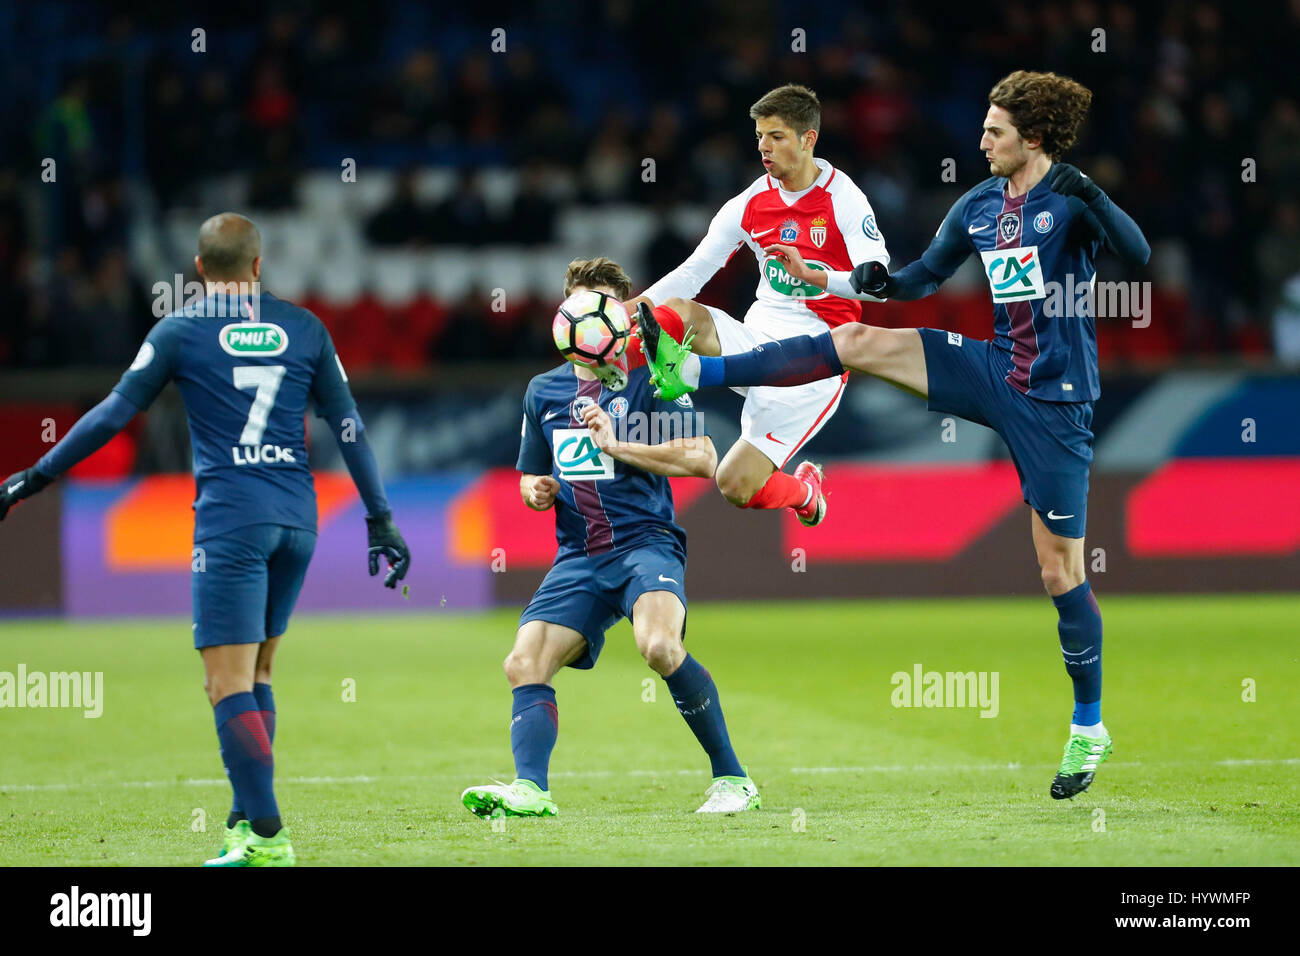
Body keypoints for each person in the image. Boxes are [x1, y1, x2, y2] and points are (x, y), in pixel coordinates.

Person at [639, 71, 1150, 800]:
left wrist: (1092, 190)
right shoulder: (977, 205)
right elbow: (909, 283)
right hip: (994, 368)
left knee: (1059, 573)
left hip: (1057, 402)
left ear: (1032, 138)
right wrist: (827, 278)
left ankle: (1089, 725)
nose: (981, 142)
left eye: (995, 131)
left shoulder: (1068, 199)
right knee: (855, 343)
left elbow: (1139, 254)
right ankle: (701, 373)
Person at [0, 213, 411, 863]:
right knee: (257, 673)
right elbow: (350, 426)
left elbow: (113, 413)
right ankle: (241, 828)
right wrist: (380, 517)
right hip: (298, 520)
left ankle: (269, 836)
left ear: (198, 269)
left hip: (231, 521)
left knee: (225, 684)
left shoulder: (181, 331)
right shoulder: (305, 328)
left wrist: (35, 475)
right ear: (257, 265)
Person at [460, 257, 759, 818]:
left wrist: (620, 443)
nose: (590, 316)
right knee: (523, 664)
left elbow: (704, 458)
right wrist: (535, 491)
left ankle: (733, 779)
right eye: (579, 304)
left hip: (645, 545)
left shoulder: (653, 377)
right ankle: (531, 790)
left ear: (621, 316)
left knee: (659, 647)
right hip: (579, 555)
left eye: (602, 305)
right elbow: (530, 474)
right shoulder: (543, 392)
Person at [623, 83, 891, 528]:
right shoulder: (751, 202)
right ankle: (611, 366)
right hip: (754, 340)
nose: (764, 147)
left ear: (809, 139)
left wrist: (822, 277)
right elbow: (693, 272)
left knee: (734, 485)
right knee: (677, 310)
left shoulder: (843, 198)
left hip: (814, 362)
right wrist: (629, 309)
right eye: (760, 136)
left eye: (777, 136)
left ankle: (805, 493)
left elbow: (876, 283)